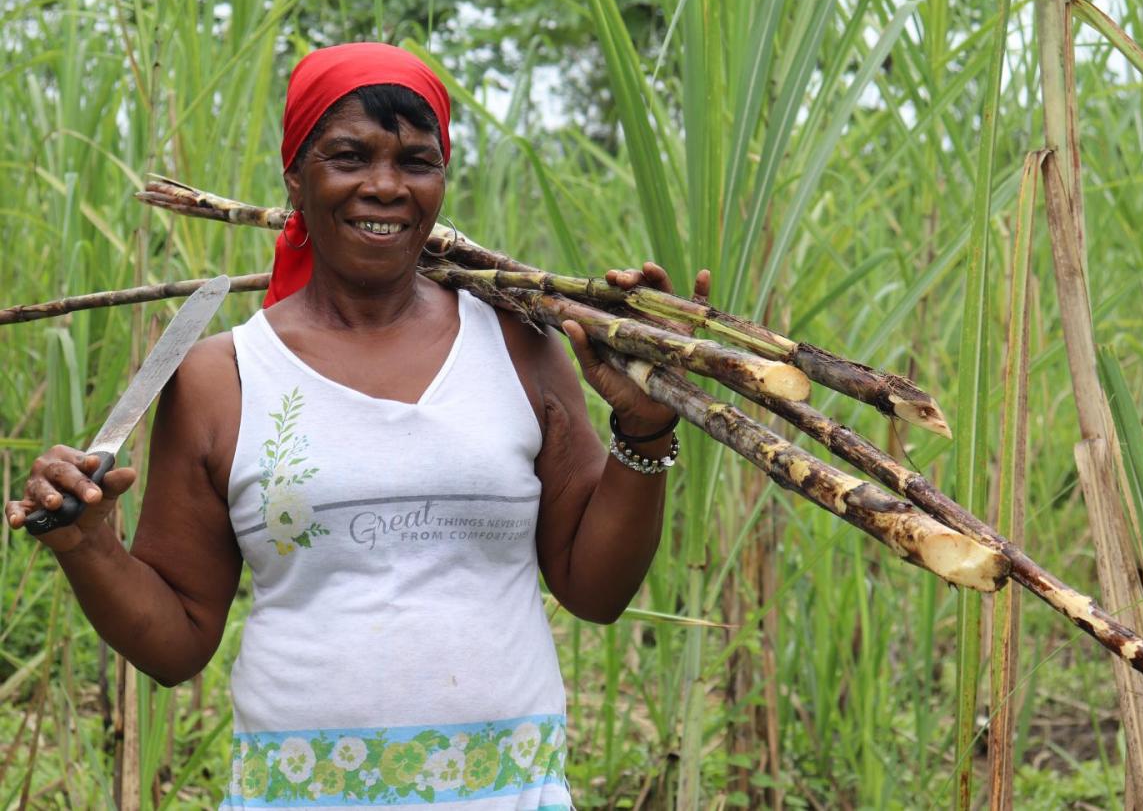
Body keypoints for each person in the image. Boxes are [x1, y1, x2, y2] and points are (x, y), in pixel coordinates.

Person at [6, 42, 708, 809]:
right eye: (348, 156)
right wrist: (86, 546)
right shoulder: (220, 376)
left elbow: (593, 590)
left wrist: (642, 432)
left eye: (416, 160)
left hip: (505, 789)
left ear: (441, 180)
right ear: (296, 181)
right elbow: (177, 643)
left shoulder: (519, 344)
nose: (384, 187)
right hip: (300, 793)